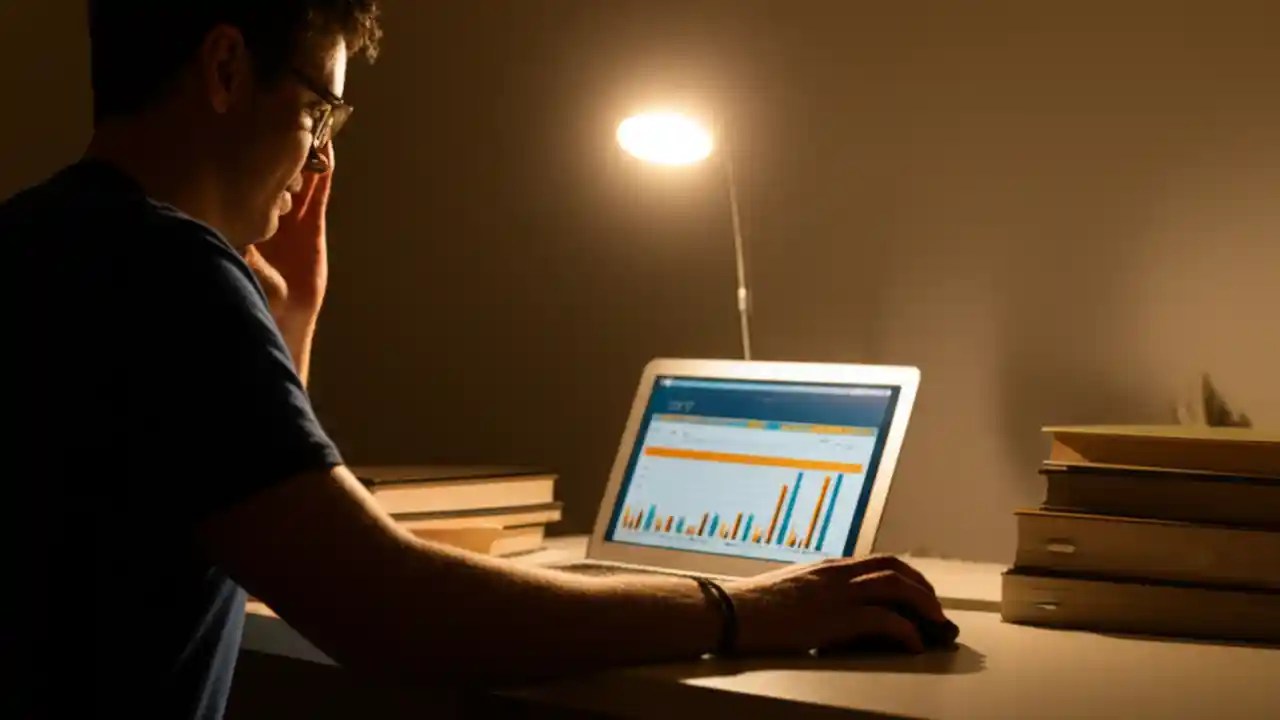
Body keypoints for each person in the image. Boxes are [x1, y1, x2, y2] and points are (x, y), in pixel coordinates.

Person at [2, 2, 955, 717]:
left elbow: (249, 542)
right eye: (319, 113)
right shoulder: (166, 272)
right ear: (224, 65)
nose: (317, 157)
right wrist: (741, 610)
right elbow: (389, 610)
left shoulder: (43, 238)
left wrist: (290, 319)